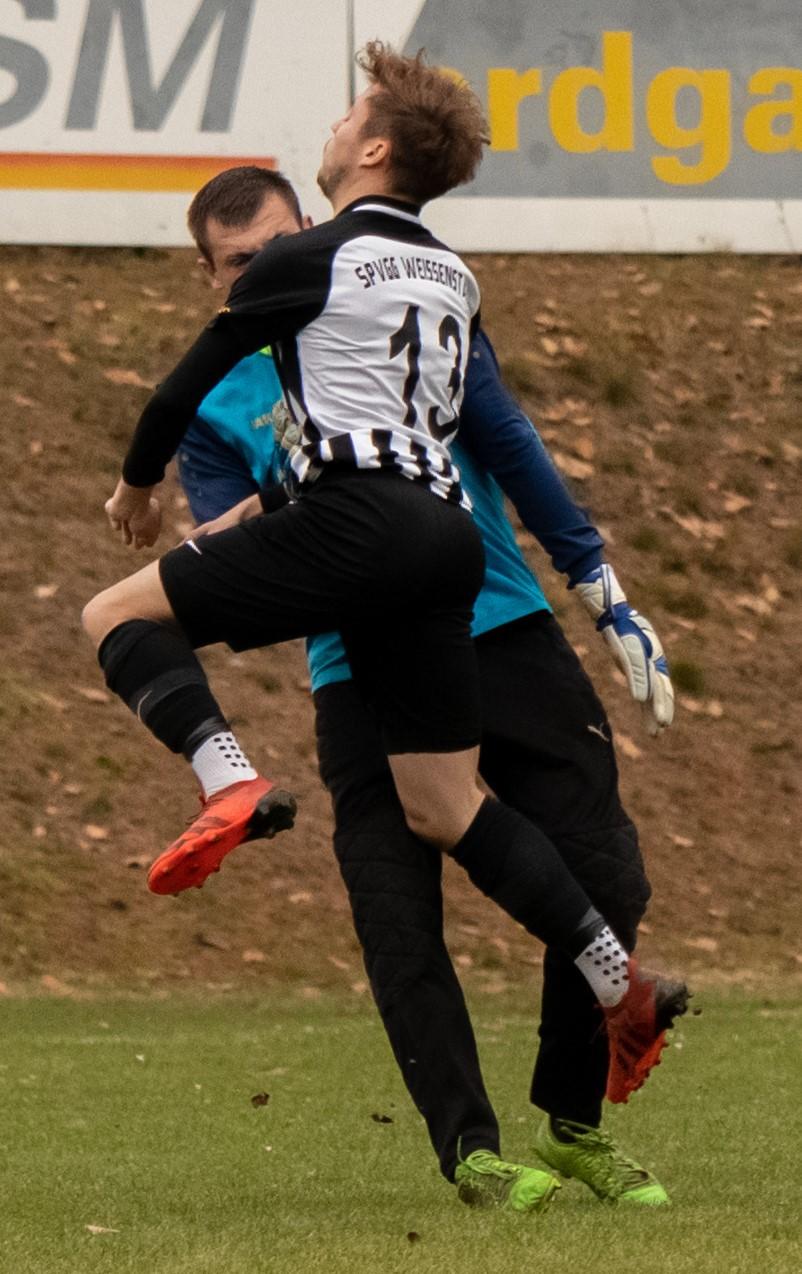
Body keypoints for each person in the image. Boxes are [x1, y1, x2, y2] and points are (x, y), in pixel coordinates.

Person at [81, 43, 687, 1211]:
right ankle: (488, 1137)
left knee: (602, 860)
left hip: (482, 606)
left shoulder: (347, 279)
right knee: (415, 865)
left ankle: (227, 779)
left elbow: (502, 435)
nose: (254, 270)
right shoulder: (418, 284)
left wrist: (595, 578)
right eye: (234, 264)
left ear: (318, 215)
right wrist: (262, 502)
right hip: (366, 625)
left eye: (268, 248)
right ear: (212, 273)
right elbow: (234, 529)